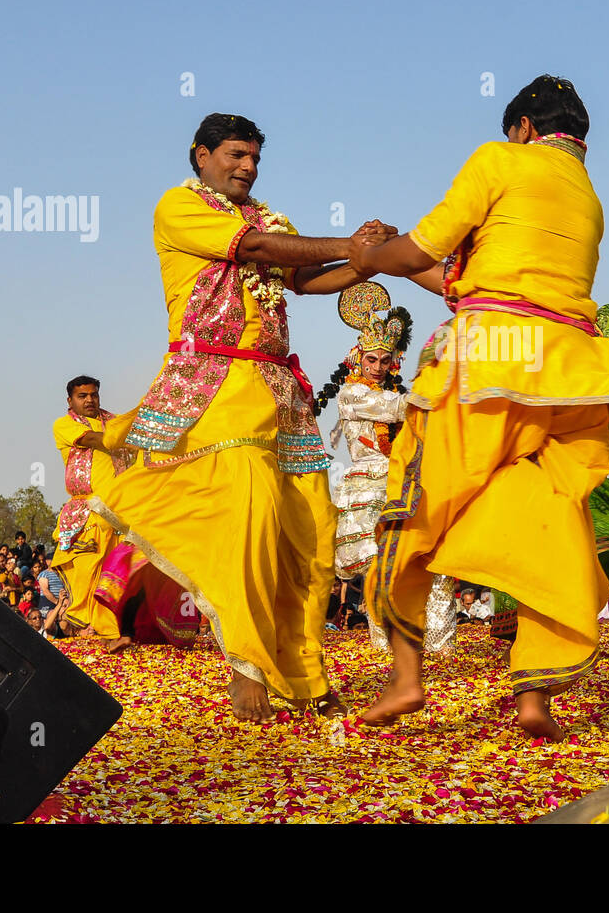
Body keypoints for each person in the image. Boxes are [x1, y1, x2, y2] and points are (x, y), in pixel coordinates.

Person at [352, 76, 609, 739]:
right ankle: (534, 700)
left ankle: (408, 678)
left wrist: (368, 257)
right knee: (542, 519)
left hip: (489, 361)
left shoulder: (500, 159)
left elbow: (425, 253)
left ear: (523, 125)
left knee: (413, 506)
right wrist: (398, 254)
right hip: (568, 379)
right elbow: (477, 282)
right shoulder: (589, 197)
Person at [89, 112, 394, 722]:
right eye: (235, 155)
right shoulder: (178, 207)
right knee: (247, 518)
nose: (248, 167)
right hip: (215, 384)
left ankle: (305, 674)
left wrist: (369, 261)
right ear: (201, 156)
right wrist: (351, 246)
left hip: (281, 391)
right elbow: (254, 251)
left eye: (254, 157)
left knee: (312, 535)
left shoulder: (273, 218)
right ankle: (245, 664)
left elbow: (304, 279)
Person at [316, 286, 457, 655]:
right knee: (381, 568)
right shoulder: (352, 394)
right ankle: (385, 648)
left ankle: (440, 649)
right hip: (370, 488)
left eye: (384, 360)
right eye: (371, 360)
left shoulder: (396, 395)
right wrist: (442, 385)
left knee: (432, 564)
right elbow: (399, 408)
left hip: (405, 481)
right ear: (357, 360)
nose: (377, 367)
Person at [50, 376, 140, 652]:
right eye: (82, 395)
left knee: (117, 573)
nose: (90, 400)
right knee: (89, 571)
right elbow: (98, 441)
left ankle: (114, 632)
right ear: (71, 401)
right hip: (87, 513)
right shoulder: (64, 425)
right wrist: (137, 424)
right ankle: (97, 630)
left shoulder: (114, 422)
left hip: (120, 512)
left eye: (94, 394)